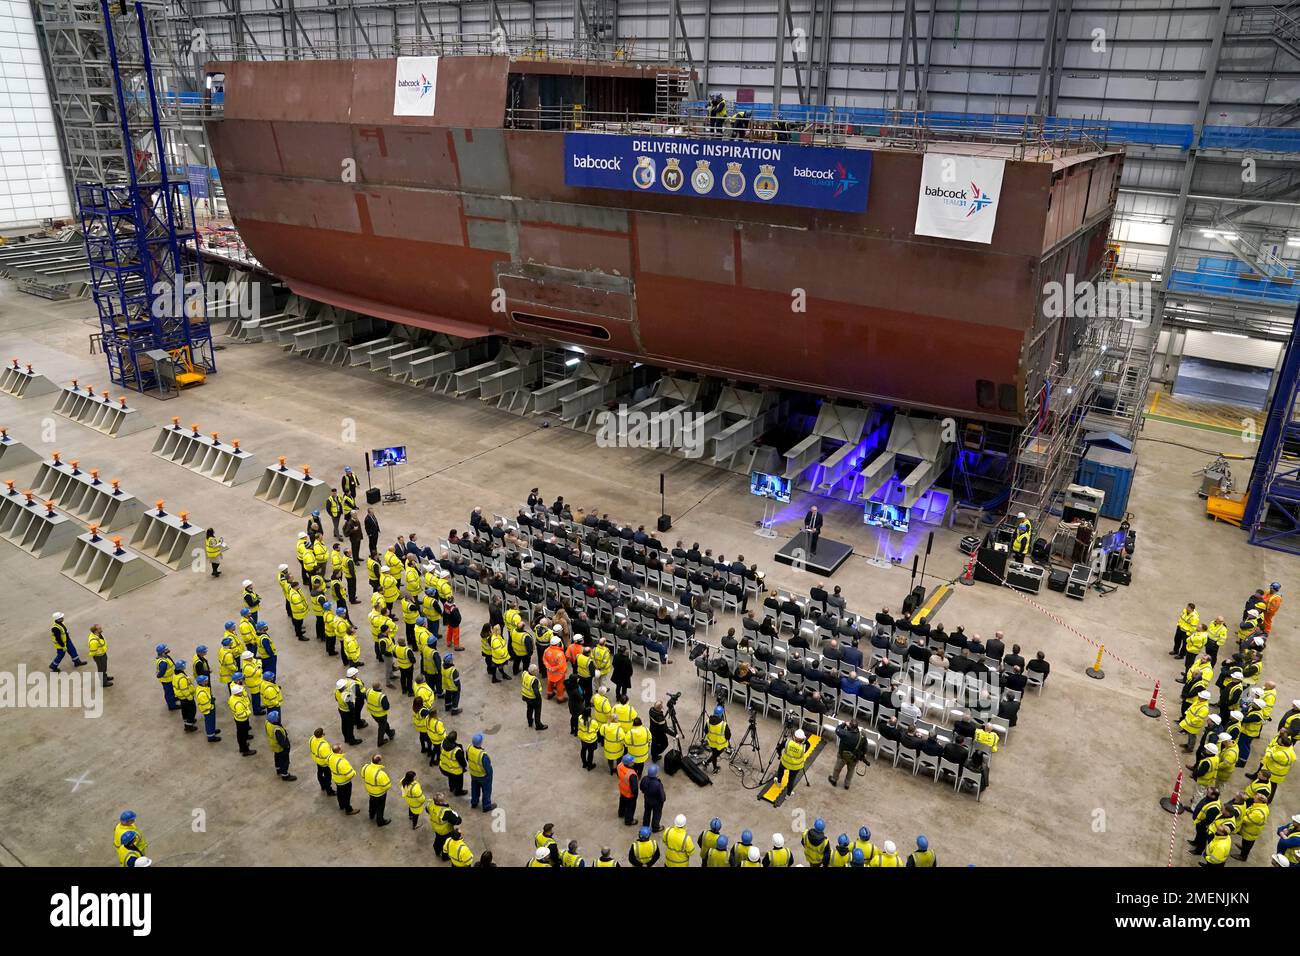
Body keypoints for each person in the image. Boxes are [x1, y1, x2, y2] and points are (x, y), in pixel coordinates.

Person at [829, 718, 869, 789]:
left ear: (850, 726)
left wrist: (844, 723)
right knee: (851, 770)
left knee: (837, 768)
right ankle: (847, 784)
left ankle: (834, 779)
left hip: (843, 756)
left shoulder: (845, 734)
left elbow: (837, 730)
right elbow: (865, 746)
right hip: (854, 757)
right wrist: (864, 754)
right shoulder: (862, 735)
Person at [360, 754, 391, 826]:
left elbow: (362, 776)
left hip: (370, 791)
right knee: (380, 807)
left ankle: (371, 815)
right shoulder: (381, 774)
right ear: (379, 762)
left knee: (372, 802)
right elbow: (387, 786)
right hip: (380, 794)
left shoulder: (365, 767)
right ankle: (380, 821)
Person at [467, 733, 496, 812]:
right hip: (483, 776)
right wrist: (489, 776)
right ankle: (486, 806)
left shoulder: (469, 748)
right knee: (486, 791)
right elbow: (488, 769)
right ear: (480, 743)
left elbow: (467, 758)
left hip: (473, 774)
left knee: (474, 789)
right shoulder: (483, 755)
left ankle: (474, 802)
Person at [264, 710, 296, 781]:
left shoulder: (268, 723)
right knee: (284, 760)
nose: (279, 717)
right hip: (280, 747)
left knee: (277, 756)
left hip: (274, 745)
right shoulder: (277, 729)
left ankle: (278, 769)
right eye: (277, 716)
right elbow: (281, 741)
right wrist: (286, 746)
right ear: (275, 720)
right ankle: (285, 775)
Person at [228, 682, 256, 755]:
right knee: (242, 735)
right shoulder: (238, 704)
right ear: (237, 693)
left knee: (241, 733)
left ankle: (243, 744)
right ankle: (245, 750)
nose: (241, 692)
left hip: (238, 719)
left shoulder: (232, 698)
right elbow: (241, 714)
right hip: (241, 720)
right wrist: (248, 712)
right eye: (240, 691)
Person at [439, 730, 468, 796]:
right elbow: (462, 761)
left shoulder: (443, 743)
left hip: (444, 767)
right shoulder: (456, 750)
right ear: (455, 739)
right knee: (459, 782)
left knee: (450, 778)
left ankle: (451, 788)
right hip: (455, 770)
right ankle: (458, 792)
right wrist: (465, 766)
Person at [703, 705, 730, 772]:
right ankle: (714, 769)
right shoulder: (723, 725)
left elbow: (706, 731)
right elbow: (728, 736)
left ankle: (707, 763)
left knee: (714, 754)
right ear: (721, 715)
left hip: (711, 743)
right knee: (715, 755)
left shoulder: (708, 721)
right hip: (720, 745)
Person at [640, 763, 666, 832]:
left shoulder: (644, 779)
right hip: (656, 803)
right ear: (656, 774)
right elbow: (662, 796)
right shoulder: (658, 784)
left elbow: (641, 788)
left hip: (647, 800)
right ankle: (655, 827)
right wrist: (663, 800)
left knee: (647, 812)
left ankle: (645, 825)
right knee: (656, 814)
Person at [521, 664, 547, 730]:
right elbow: (536, 691)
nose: (538, 670)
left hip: (526, 697)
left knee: (529, 709)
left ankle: (530, 722)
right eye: (537, 670)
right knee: (537, 712)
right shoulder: (534, 680)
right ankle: (538, 725)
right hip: (534, 699)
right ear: (534, 672)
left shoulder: (524, 673)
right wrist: (539, 699)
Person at [616, 754, 639, 825]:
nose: (634, 762)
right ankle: (629, 820)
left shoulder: (619, 765)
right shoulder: (632, 774)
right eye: (632, 761)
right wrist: (635, 795)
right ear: (629, 764)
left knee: (622, 802)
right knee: (630, 807)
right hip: (629, 794)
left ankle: (621, 813)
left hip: (622, 789)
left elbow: (618, 775)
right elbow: (634, 788)